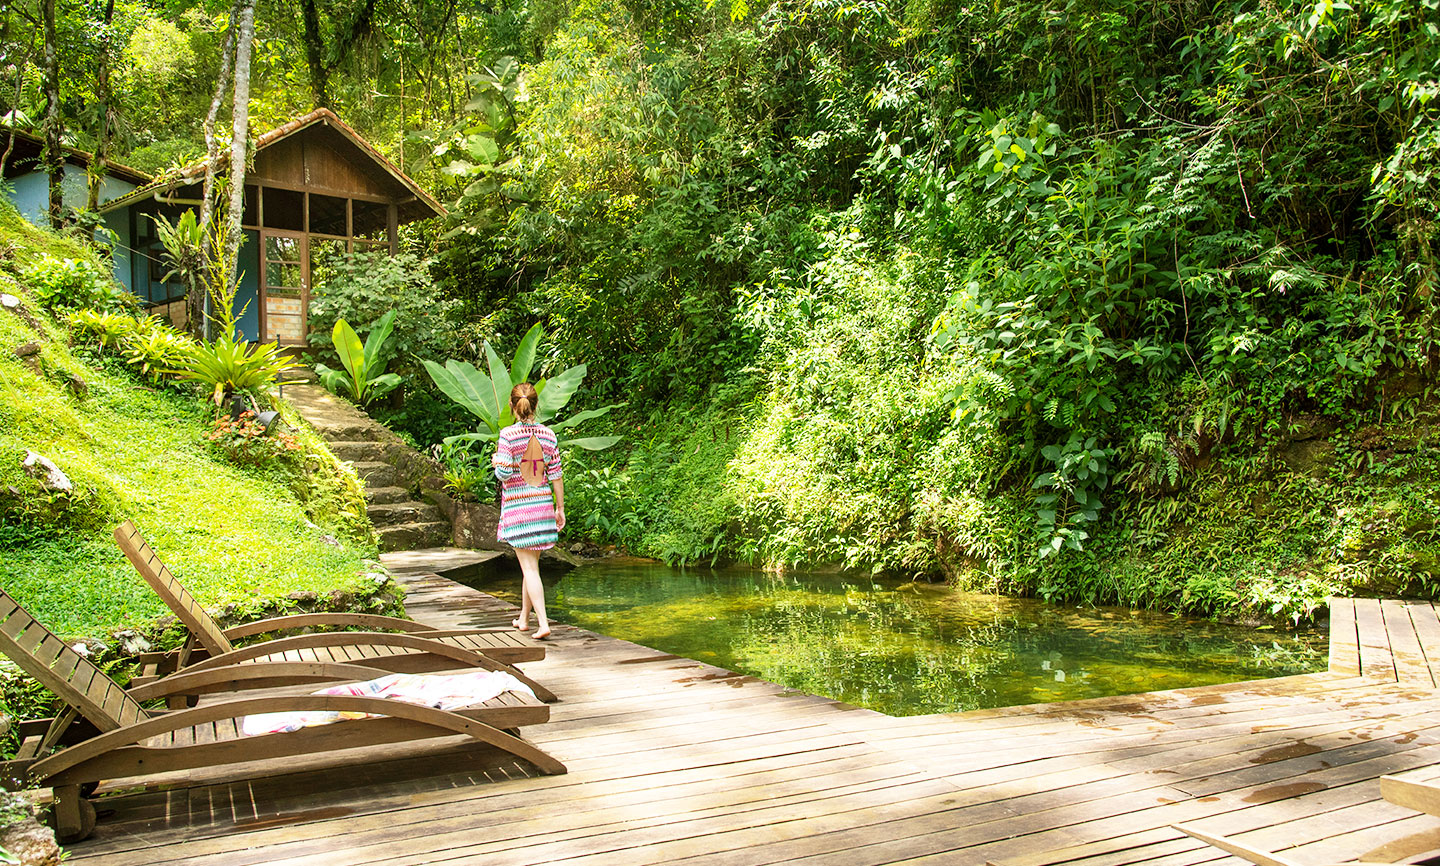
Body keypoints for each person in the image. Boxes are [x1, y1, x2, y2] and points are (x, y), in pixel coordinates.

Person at [492, 382, 565, 640]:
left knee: (530, 569)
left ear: (512, 406)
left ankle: (543, 623)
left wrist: (496, 462)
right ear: (536, 406)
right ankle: (524, 618)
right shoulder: (548, 435)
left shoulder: (507, 436)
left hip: (520, 511)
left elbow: (502, 473)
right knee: (530, 565)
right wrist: (561, 508)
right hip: (543, 506)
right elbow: (555, 474)